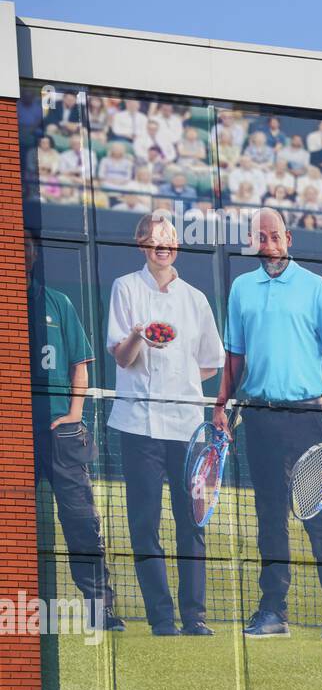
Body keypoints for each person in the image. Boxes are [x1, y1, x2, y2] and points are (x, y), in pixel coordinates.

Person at [213, 207, 322, 642]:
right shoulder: (241, 289)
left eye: (274, 235)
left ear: (288, 238)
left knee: (317, 516)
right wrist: (220, 405)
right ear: (254, 242)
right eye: (261, 237)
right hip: (258, 417)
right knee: (269, 518)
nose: (269, 242)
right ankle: (273, 612)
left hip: (307, 418)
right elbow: (233, 357)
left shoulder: (316, 287)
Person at [107, 213, 224, 636]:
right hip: (137, 425)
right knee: (144, 524)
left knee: (191, 523)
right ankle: (161, 618)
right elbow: (121, 356)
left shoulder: (195, 299)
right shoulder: (126, 288)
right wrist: (141, 335)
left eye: (169, 240)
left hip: (186, 428)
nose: (163, 246)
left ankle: (194, 616)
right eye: (155, 240)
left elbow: (209, 364)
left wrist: (182, 379)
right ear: (141, 245)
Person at [26, 230, 120, 630]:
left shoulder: (57, 302)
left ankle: (101, 607)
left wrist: (74, 413)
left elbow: (79, 365)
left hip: (60, 434)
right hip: (14, 435)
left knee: (81, 521)